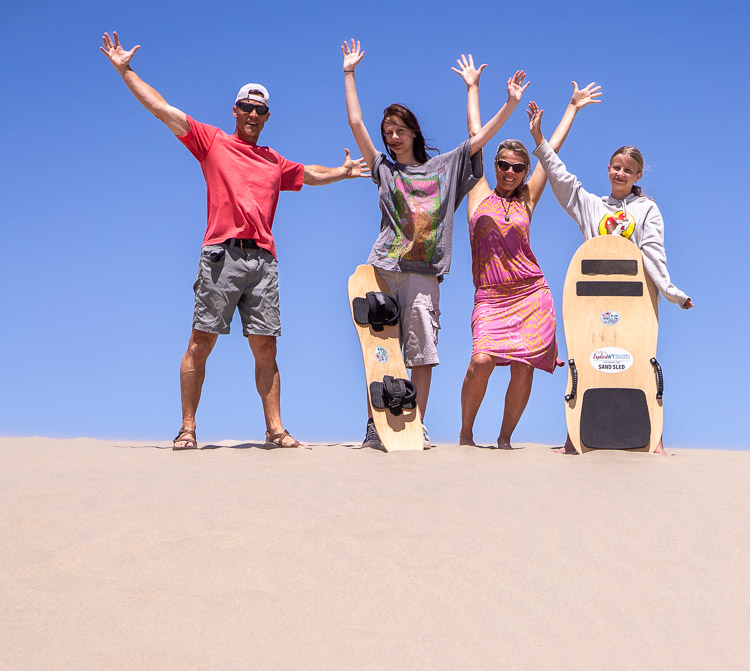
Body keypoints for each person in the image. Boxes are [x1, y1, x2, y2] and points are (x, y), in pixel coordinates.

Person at [100, 32, 368, 451]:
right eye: (246, 107)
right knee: (200, 342)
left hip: (263, 262)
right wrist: (125, 70)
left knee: (266, 347)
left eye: (260, 110)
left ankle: (275, 431)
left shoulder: (272, 160)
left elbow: (309, 174)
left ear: (266, 116)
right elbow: (162, 109)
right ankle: (187, 428)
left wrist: (343, 171)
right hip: (221, 257)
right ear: (235, 110)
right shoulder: (212, 142)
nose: (252, 114)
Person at [341, 39, 528, 448]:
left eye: (399, 130)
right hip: (384, 269)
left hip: (425, 273)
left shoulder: (444, 167)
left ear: (413, 132)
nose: (392, 137)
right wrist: (349, 73)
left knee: (422, 350)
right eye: (388, 132)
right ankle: (376, 426)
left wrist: (507, 103)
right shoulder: (384, 170)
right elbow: (356, 124)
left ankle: (415, 423)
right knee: (381, 348)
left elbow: (479, 139)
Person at [527, 99, 694, 454]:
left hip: (635, 297)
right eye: (616, 167)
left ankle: (656, 440)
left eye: (628, 170)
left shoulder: (646, 209)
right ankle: (573, 439)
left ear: (637, 176)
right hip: (591, 295)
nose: (620, 174)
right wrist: (539, 138)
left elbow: (653, 252)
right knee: (585, 360)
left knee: (641, 362)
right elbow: (562, 179)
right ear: (608, 169)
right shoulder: (592, 206)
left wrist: (671, 292)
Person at [453, 62, 602, 447]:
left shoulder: (528, 199)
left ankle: (504, 439)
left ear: (523, 172)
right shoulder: (479, 193)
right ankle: (466, 435)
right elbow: (475, 136)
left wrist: (571, 107)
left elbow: (551, 151)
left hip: (531, 294)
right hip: (490, 295)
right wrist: (473, 87)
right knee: (481, 360)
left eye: (517, 168)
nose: (508, 171)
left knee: (523, 367)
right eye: (502, 164)